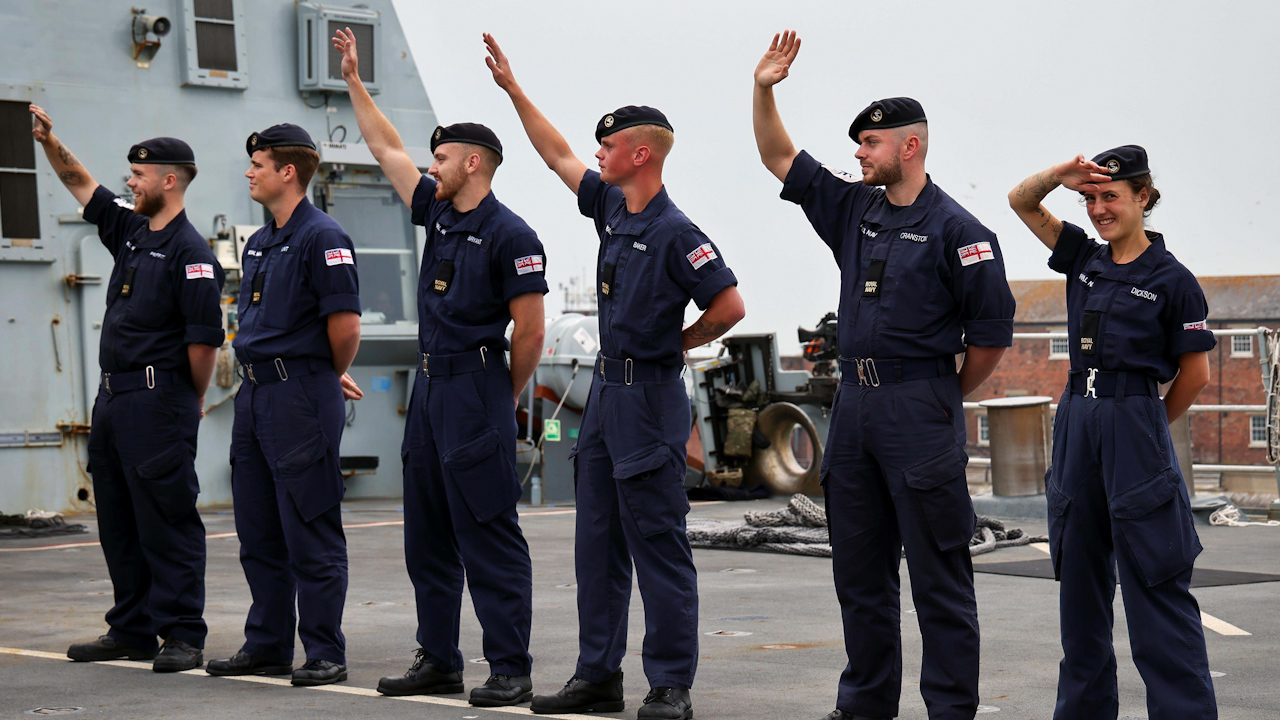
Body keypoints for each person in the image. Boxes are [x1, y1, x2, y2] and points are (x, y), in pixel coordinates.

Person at [752, 32, 1015, 720]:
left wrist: (938, 392)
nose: (859, 154)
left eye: (870, 143)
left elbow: (989, 338)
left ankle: (950, 710)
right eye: (858, 145)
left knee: (939, 579)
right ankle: (865, 705)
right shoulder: (853, 209)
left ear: (910, 145)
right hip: (856, 408)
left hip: (919, 408)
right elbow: (780, 156)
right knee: (860, 576)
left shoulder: (962, 232)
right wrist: (765, 89)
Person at [486, 33, 745, 720]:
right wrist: (514, 91)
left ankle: (670, 686)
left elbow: (729, 303)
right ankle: (597, 675)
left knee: (658, 545)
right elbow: (556, 157)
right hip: (604, 394)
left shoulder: (675, 230)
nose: (596, 154)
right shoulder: (611, 207)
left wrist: (681, 343)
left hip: (650, 397)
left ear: (642, 154)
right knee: (595, 545)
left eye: (609, 146)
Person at [333, 28, 547, 708]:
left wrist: (496, 398)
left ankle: (510, 666)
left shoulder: (512, 234)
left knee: (487, 532)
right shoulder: (439, 213)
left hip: (475, 386)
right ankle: (439, 659)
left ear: (475, 163)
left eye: (443, 158)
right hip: (430, 389)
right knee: (425, 535)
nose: (430, 167)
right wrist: (353, 82)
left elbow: (532, 332)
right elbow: (385, 148)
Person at [1008, 146, 1218, 720]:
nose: (1100, 209)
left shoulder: (1174, 282)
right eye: (1092, 198)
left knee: (1156, 585)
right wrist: (1059, 175)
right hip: (1077, 421)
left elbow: (1194, 375)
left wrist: (1144, 424)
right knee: (1078, 588)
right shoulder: (1082, 258)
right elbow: (1021, 201)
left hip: (1133, 422)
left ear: (1144, 198)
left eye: (1112, 197)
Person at [30, 106, 224, 673]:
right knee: (117, 520)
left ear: (169, 180)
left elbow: (204, 344)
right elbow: (80, 183)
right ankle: (132, 629)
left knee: (167, 518)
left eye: (139, 176)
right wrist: (50, 140)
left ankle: (183, 632)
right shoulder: (132, 229)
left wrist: (187, 402)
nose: (129, 183)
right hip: (113, 400)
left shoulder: (192, 256)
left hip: (159, 400)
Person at [206, 124, 363, 687]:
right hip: (254, 397)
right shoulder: (260, 241)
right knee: (259, 531)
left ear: (287, 171)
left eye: (258, 163)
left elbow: (345, 327)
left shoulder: (324, 237)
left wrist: (323, 375)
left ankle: (325, 651)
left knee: (309, 527)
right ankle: (267, 645)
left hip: (297, 396)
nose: (249, 172)